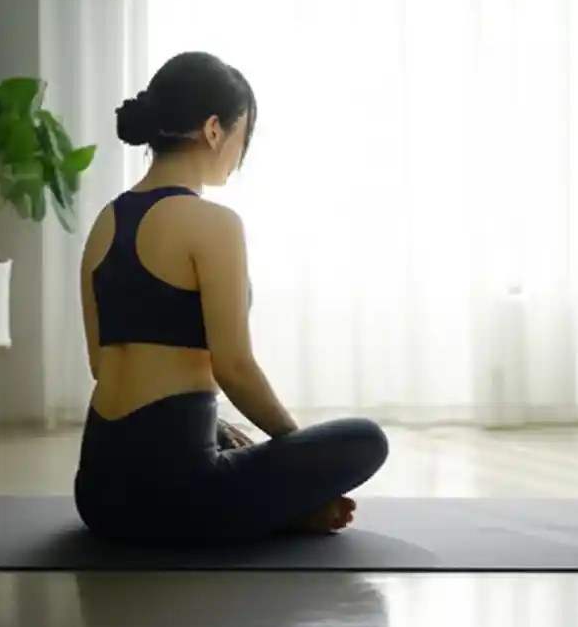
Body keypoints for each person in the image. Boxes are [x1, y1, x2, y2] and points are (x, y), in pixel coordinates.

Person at [74, 51, 388, 546]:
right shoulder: (214, 224)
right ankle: (276, 509)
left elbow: (100, 363)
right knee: (366, 441)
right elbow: (234, 366)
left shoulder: (104, 224)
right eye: (244, 134)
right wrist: (296, 456)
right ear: (215, 130)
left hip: (98, 494)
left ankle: (258, 501)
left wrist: (224, 435)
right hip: (177, 496)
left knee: (226, 442)